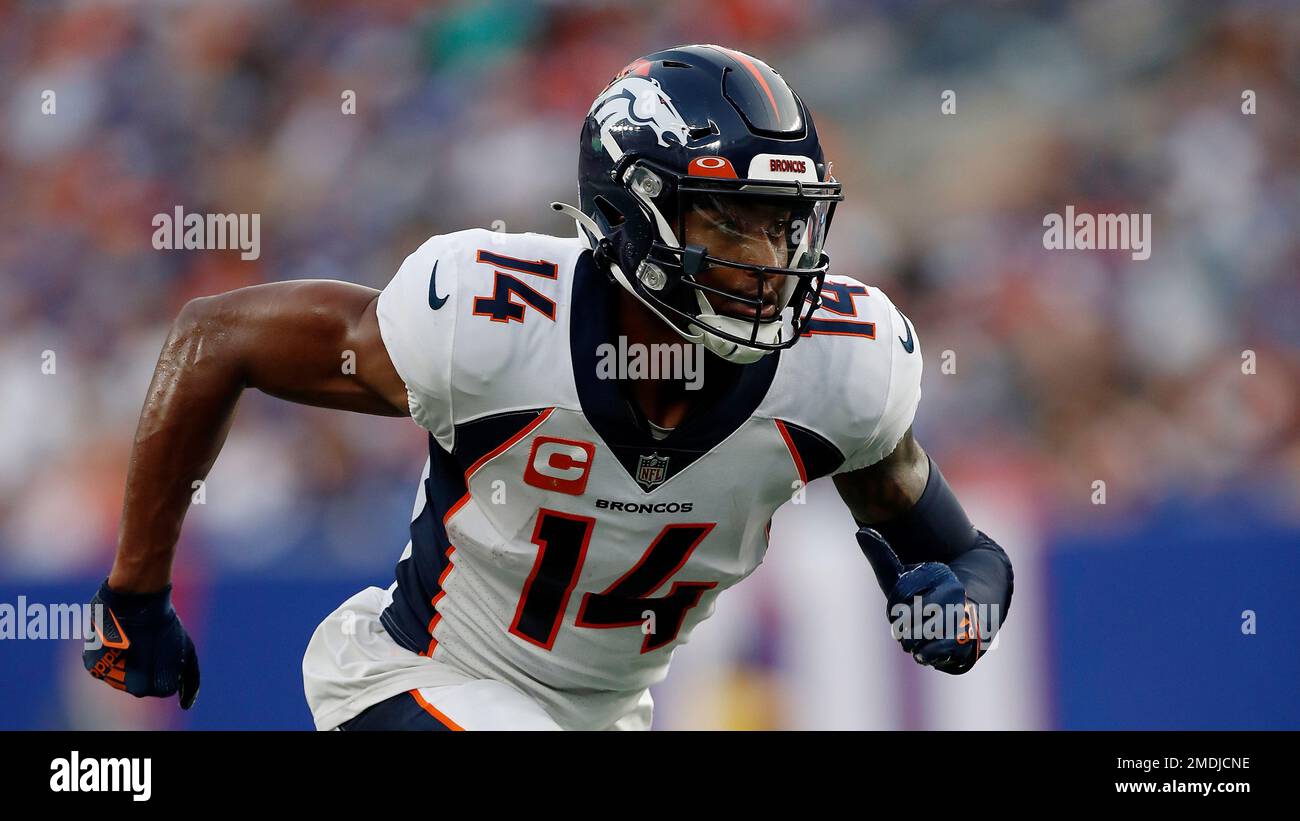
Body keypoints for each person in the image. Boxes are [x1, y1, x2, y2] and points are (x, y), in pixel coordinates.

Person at [84, 44, 1013, 731]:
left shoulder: (841, 369)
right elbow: (211, 340)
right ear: (628, 211)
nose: (767, 261)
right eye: (729, 219)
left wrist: (960, 609)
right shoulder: (492, 323)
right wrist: (136, 591)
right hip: (413, 679)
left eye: (784, 225)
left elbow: (972, 557)